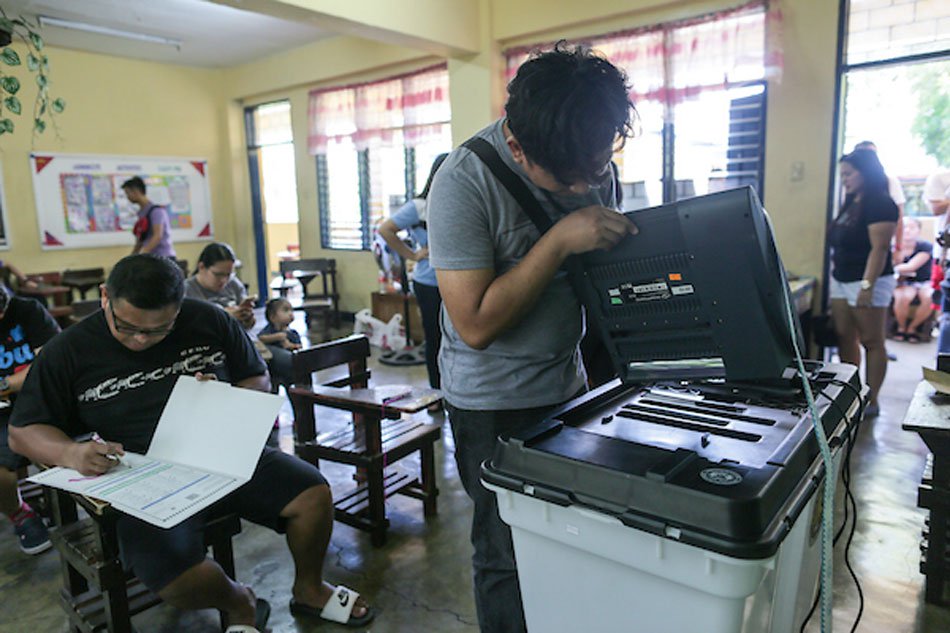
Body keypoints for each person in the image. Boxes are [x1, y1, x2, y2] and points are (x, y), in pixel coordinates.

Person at [8, 255, 375, 631]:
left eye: (158, 330)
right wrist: (69, 452)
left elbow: (256, 377)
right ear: (105, 297)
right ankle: (240, 602)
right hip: (139, 475)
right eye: (127, 327)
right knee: (173, 577)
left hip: (215, 449)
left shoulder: (209, 319)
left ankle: (310, 590)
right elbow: (22, 432)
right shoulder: (68, 350)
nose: (140, 340)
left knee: (313, 495)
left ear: (178, 306)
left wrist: (226, 397)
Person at [427, 43, 637, 633]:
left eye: (595, 168)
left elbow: (601, 276)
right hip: (491, 404)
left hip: (570, 384)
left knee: (572, 535)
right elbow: (474, 325)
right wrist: (562, 239)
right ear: (518, 146)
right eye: (567, 177)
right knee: (505, 554)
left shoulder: (593, 163)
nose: (584, 187)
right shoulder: (463, 181)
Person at [828, 149, 899, 419]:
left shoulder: (881, 203)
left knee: (871, 340)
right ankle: (852, 390)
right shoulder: (850, 202)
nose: (844, 179)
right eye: (842, 174)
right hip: (842, 278)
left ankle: (872, 399)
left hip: (870, 278)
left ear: (865, 173)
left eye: (849, 173)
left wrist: (867, 286)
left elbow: (879, 249)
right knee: (844, 335)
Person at [377, 153, 448, 391]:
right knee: (434, 338)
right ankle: (437, 393)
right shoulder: (420, 206)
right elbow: (386, 229)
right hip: (429, 282)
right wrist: (413, 254)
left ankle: (456, 392)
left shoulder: (459, 200)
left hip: (457, 280)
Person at [0, 289, 60, 555]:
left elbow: (49, 360)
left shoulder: (27, 311)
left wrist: (5, 383)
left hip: (38, 401)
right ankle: (20, 513)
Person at [853, 141, 905, 262]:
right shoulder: (848, 180)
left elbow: (899, 216)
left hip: (880, 244)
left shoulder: (889, 181)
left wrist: (898, 248)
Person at [185, 242, 256, 330]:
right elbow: (188, 327)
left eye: (228, 275)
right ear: (201, 267)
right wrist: (223, 316)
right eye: (218, 274)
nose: (224, 280)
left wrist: (246, 318)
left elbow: (245, 328)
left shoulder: (234, 284)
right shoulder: (186, 291)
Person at [892, 217, 934, 342]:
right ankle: (901, 327)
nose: (908, 230)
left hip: (924, 281)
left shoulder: (925, 246)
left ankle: (913, 328)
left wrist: (896, 267)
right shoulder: (893, 246)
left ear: (919, 231)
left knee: (929, 297)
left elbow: (911, 266)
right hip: (902, 282)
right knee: (903, 297)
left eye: (912, 227)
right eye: (905, 227)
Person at [122, 176, 176, 258]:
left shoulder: (157, 211)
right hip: (150, 257)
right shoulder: (141, 213)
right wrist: (131, 258)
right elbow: (140, 239)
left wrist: (143, 253)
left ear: (136, 191)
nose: (127, 197)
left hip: (164, 258)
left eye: (128, 193)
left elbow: (157, 236)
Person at [258, 297, 302, 388]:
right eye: (286, 310)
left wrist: (292, 346)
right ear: (273, 317)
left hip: (289, 369)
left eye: (291, 310)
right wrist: (276, 337)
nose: (290, 313)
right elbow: (261, 338)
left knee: (292, 385)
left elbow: (298, 347)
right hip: (273, 368)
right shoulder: (270, 330)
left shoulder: (293, 333)